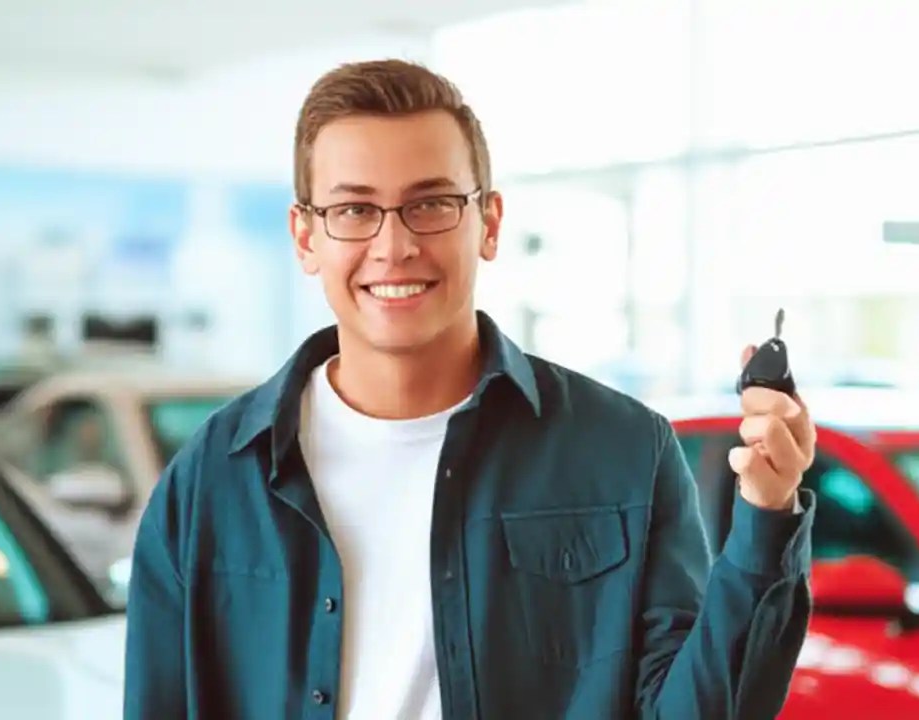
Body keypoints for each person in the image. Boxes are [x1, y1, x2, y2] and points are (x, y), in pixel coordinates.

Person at [123, 58, 817, 720]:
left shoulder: (624, 452)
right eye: (355, 210)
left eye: (430, 204)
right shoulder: (213, 478)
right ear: (306, 236)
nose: (394, 246)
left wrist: (766, 512)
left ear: (488, 223)